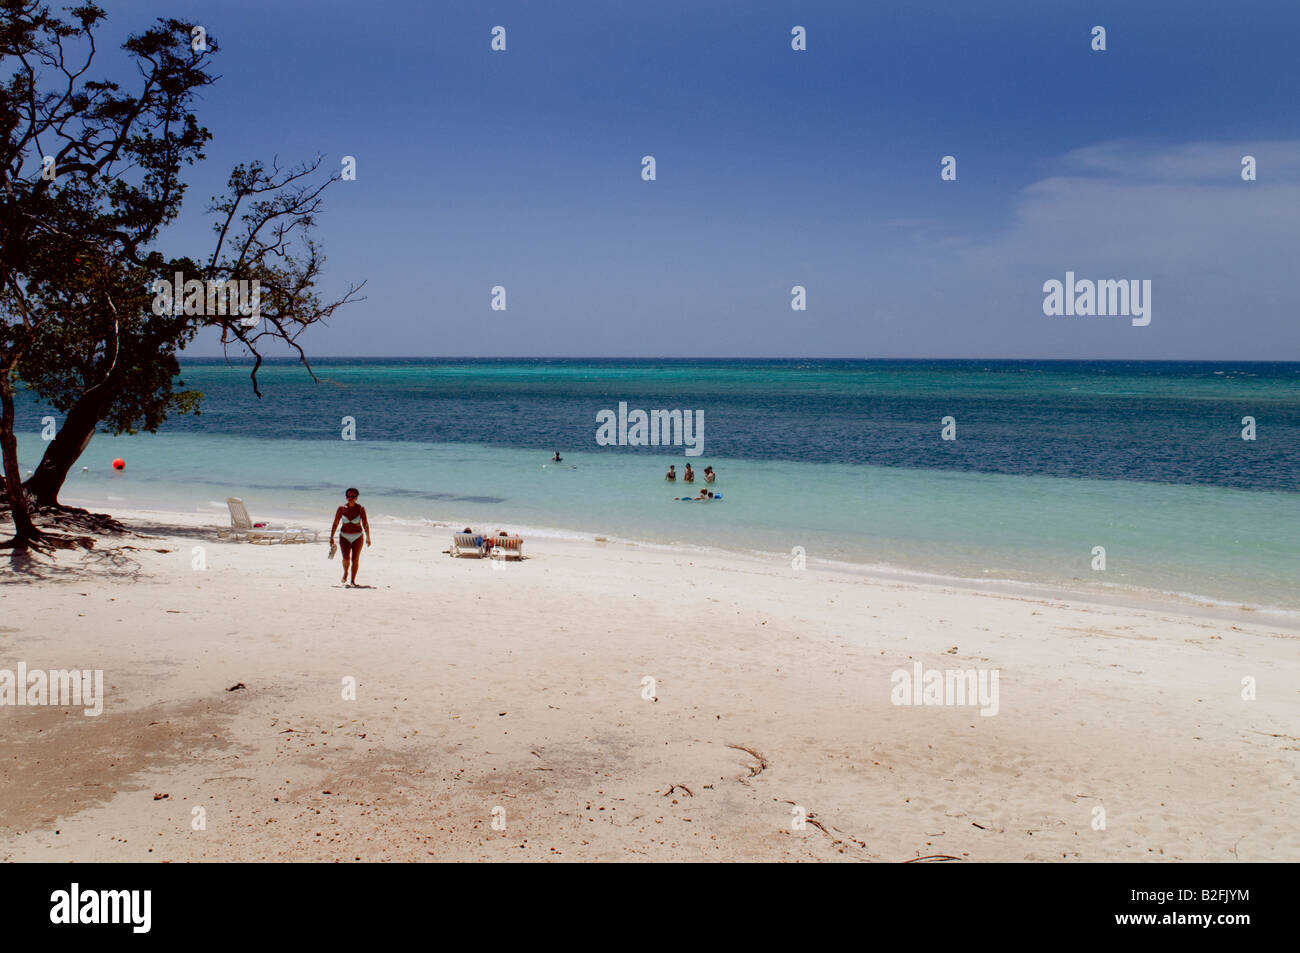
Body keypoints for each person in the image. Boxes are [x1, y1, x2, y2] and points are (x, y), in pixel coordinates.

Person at [330, 488, 371, 586]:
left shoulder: (361, 509)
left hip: (358, 537)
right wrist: (331, 536)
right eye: (348, 496)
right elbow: (335, 523)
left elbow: (365, 523)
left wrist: (368, 537)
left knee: (355, 559)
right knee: (346, 559)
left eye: (352, 496)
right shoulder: (341, 509)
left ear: (356, 498)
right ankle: (345, 572)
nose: (350, 498)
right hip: (344, 536)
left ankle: (353, 580)